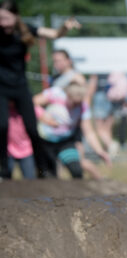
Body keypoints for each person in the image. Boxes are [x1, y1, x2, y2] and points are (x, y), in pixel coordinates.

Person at [0, 1, 79, 179]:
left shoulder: (25, 29)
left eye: (5, 18)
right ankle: (4, 169)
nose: (2, 23)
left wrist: (64, 27)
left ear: (15, 16)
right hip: (1, 88)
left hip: (20, 86)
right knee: (2, 126)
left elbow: (55, 34)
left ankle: (42, 169)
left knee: (32, 129)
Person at [33, 82, 109, 179]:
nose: (76, 106)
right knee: (48, 175)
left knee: (77, 171)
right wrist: (44, 117)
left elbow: (89, 132)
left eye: (79, 103)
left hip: (65, 141)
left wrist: (99, 151)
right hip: (45, 141)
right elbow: (32, 102)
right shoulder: (56, 93)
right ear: (67, 96)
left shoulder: (83, 107)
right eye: (74, 102)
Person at [6, 102, 34, 179]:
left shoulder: (29, 110)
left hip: (26, 149)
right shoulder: (4, 111)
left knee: (30, 179)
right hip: (8, 149)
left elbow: (43, 116)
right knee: (5, 179)